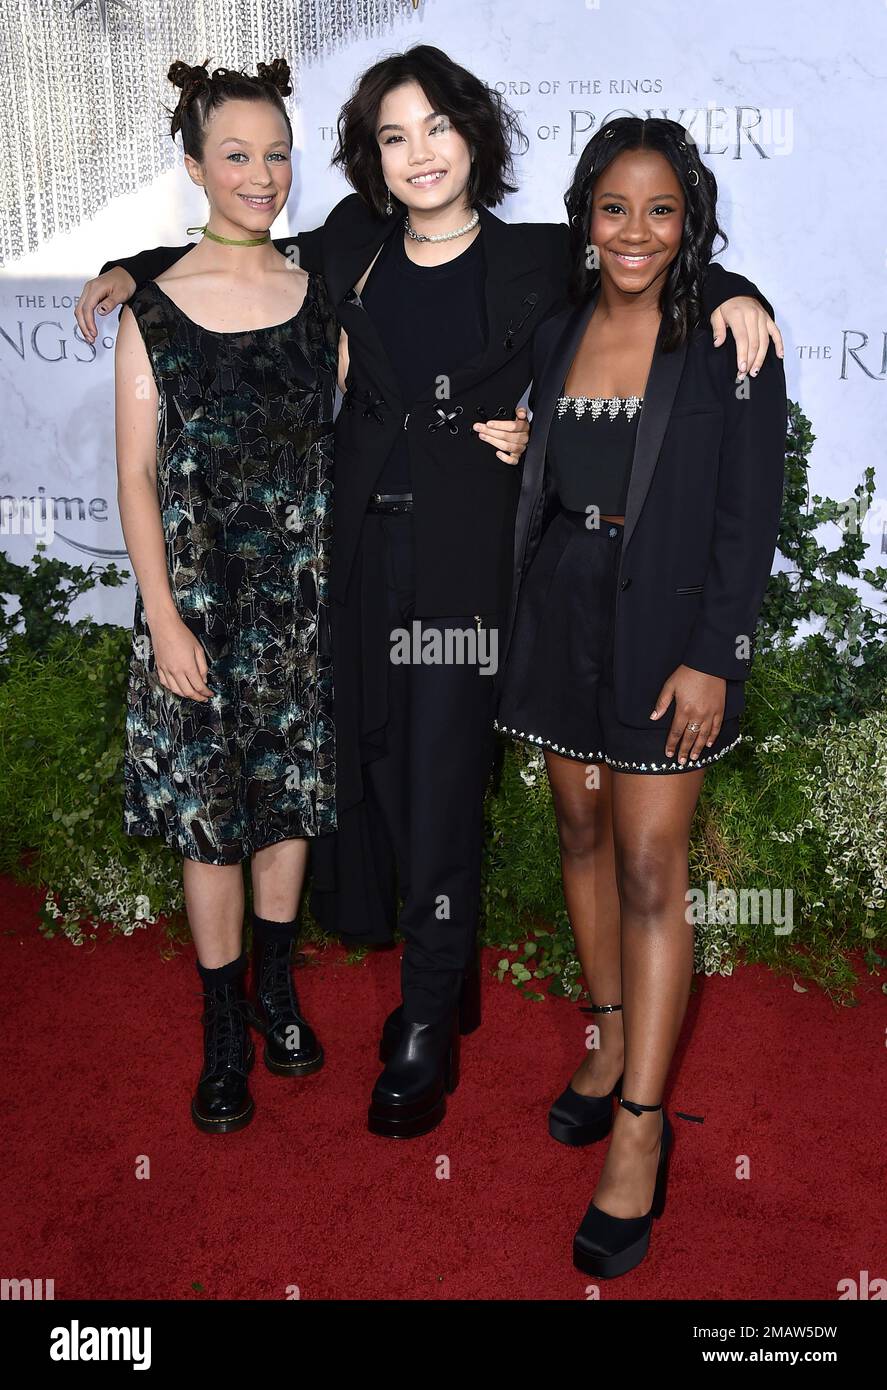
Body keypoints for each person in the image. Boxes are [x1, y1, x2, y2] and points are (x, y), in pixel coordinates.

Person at [77, 46, 781, 1141]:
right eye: (394, 135)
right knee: (367, 772)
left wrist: (738, 294)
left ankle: (420, 1022)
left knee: (444, 782)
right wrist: (129, 263)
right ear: (371, 156)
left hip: (467, 577)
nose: (419, 154)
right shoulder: (349, 246)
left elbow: (646, 250)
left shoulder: (538, 260)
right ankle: (435, 978)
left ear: (473, 136)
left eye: (437, 128)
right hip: (348, 564)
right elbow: (233, 251)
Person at [495, 117, 787, 1276]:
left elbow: (747, 513)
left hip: (667, 632)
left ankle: (640, 1125)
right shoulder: (558, 325)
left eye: (658, 209)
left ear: (688, 221)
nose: (633, 230)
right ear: (585, 217)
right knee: (576, 828)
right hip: (559, 611)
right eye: (612, 208)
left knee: (651, 870)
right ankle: (608, 1041)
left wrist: (713, 654)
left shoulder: (727, 336)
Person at [114, 57, 338, 1134]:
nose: (262, 174)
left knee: (285, 805)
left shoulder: (322, 292)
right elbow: (134, 479)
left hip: (297, 608)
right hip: (194, 611)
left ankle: (277, 991)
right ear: (195, 164)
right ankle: (219, 1031)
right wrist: (162, 616)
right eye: (237, 155)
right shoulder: (150, 311)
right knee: (210, 825)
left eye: (276, 152)